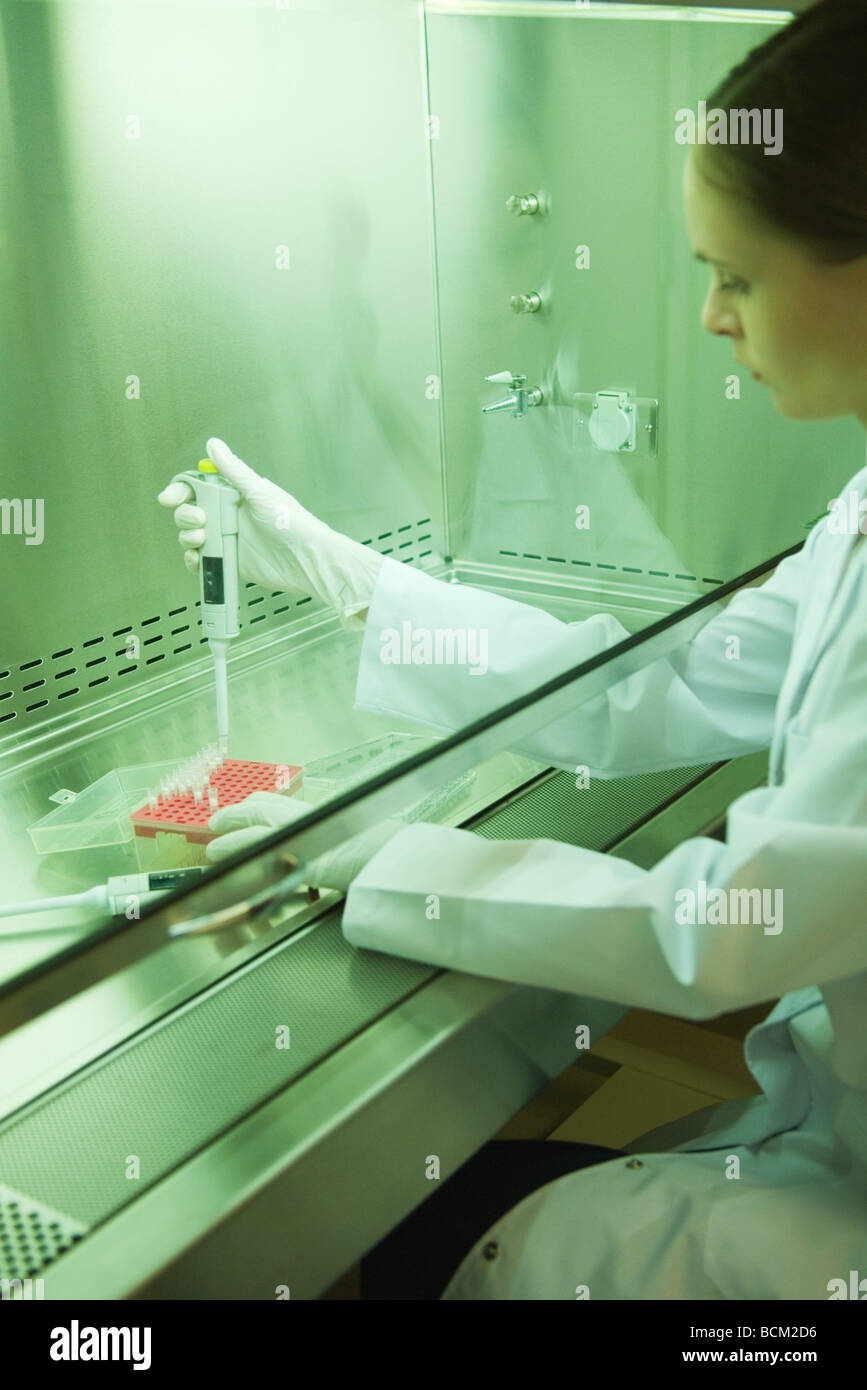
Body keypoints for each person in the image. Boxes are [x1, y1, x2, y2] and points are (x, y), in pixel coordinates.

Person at [159, 0, 867, 1299]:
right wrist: (354, 578)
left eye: (741, 276)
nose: (712, 317)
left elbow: (724, 936)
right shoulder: (861, 512)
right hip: (823, 1141)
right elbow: (664, 677)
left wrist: (397, 861)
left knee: (447, 1242)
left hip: (838, 1231)